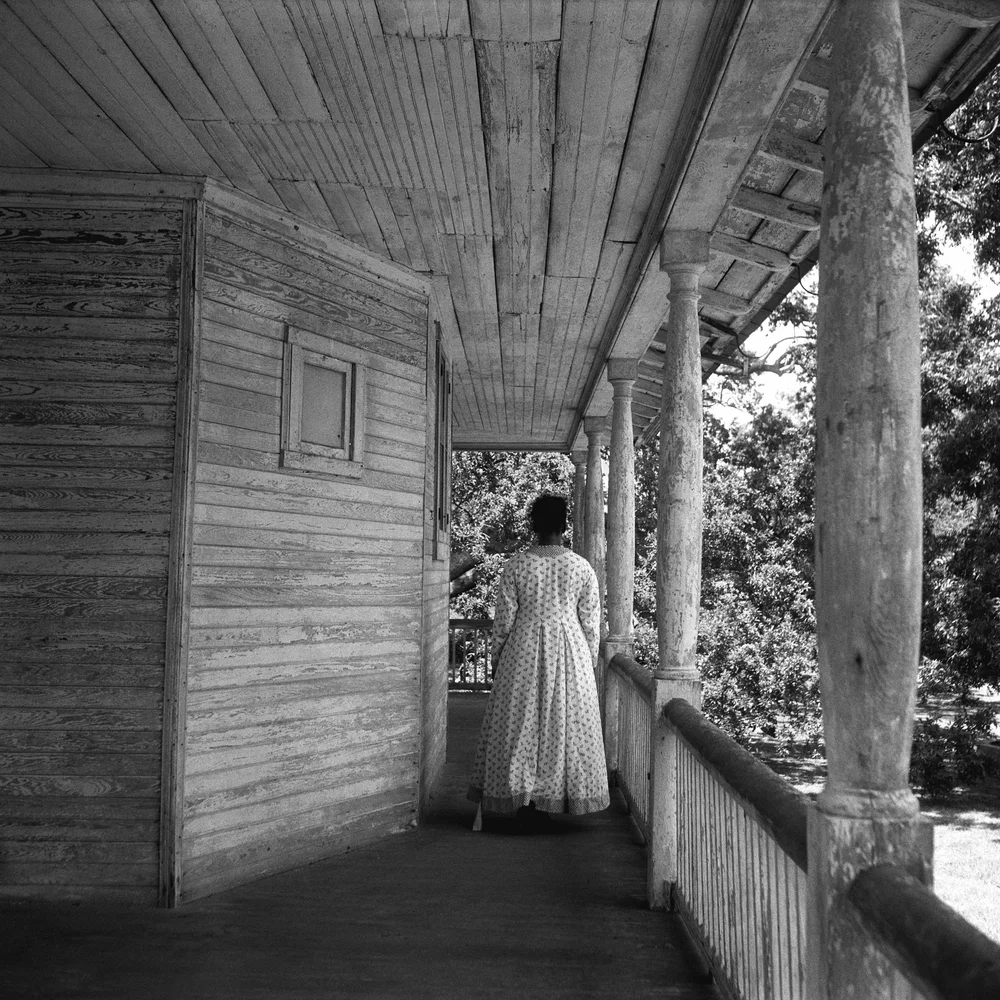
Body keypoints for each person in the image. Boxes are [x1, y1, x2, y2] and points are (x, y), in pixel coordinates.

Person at [467, 493, 610, 829]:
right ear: (563, 525)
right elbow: (591, 624)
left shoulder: (516, 564)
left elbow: (503, 621)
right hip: (570, 651)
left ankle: (523, 795)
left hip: (523, 650)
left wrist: (499, 660)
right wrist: (586, 665)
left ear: (534, 524)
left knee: (520, 724)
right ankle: (554, 796)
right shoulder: (580, 566)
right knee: (564, 726)